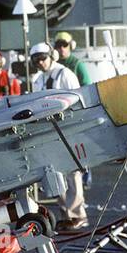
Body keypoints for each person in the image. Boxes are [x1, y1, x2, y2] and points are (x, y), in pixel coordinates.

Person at [30, 42, 85, 230]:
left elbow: (78, 99)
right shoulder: (38, 79)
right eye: (36, 61)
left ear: (51, 56)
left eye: (43, 58)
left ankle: (77, 214)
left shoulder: (65, 74)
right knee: (55, 174)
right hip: (48, 131)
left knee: (72, 173)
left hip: (67, 128)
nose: (40, 63)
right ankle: (65, 213)